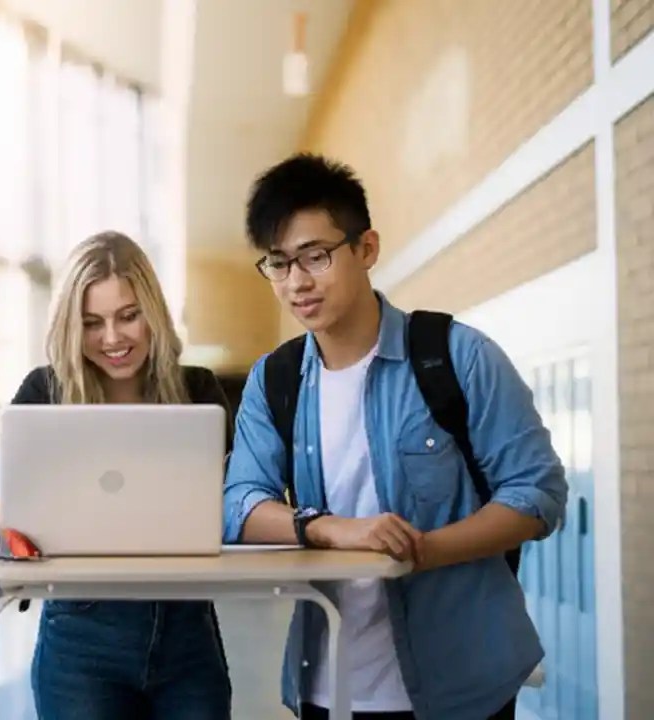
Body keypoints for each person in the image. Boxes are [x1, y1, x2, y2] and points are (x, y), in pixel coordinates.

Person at [223, 154, 567, 720]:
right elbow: (238, 506)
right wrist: (332, 530)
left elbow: (537, 494)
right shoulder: (275, 380)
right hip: (328, 686)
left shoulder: (459, 356)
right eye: (280, 263)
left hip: (459, 684)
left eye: (316, 256)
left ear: (367, 248)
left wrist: (419, 553)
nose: (297, 282)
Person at [0, 231, 236, 720]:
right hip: (80, 641)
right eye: (92, 323)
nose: (112, 339)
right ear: (71, 327)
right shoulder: (45, 392)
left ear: (152, 311)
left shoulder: (197, 390)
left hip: (188, 634)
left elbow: (234, 504)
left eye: (128, 316)